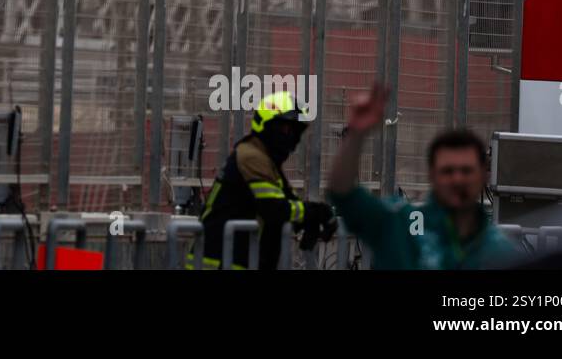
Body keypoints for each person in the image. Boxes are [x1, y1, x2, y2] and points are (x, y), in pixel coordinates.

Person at [328, 82, 518, 269]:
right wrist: (356, 135)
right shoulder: (400, 223)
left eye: (466, 171)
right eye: (447, 171)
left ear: (484, 176)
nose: (457, 179)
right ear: (431, 175)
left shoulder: (502, 253)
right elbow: (344, 196)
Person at [198, 91, 335, 269]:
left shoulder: (268, 163)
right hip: (220, 263)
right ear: (268, 126)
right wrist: (314, 213)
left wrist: (311, 219)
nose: (291, 136)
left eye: (294, 131)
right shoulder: (252, 156)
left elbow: (290, 204)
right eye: (286, 129)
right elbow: (274, 208)